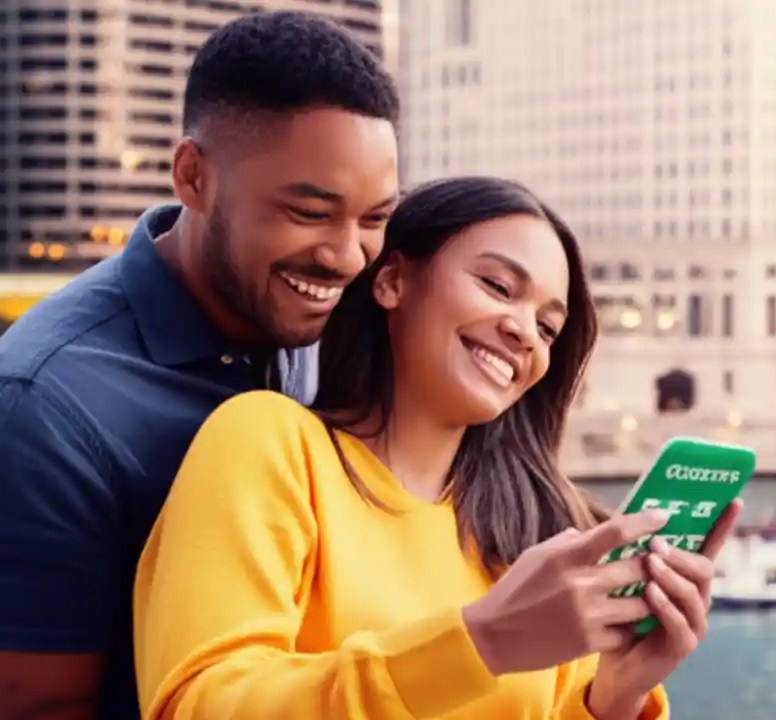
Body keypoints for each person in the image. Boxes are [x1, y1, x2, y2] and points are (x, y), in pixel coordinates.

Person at [0, 12, 400, 720]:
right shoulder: (36, 407)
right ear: (192, 177)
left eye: (373, 219)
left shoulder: (333, 333)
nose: (346, 256)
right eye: (308, 212)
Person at [133, 176, 742, 719]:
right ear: (393, 279)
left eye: (548, 326)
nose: (523, 331)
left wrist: (615, 698)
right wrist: (482, 643)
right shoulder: (272, 444)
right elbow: (202, 704)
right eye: (498, 285)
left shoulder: (538, 534)